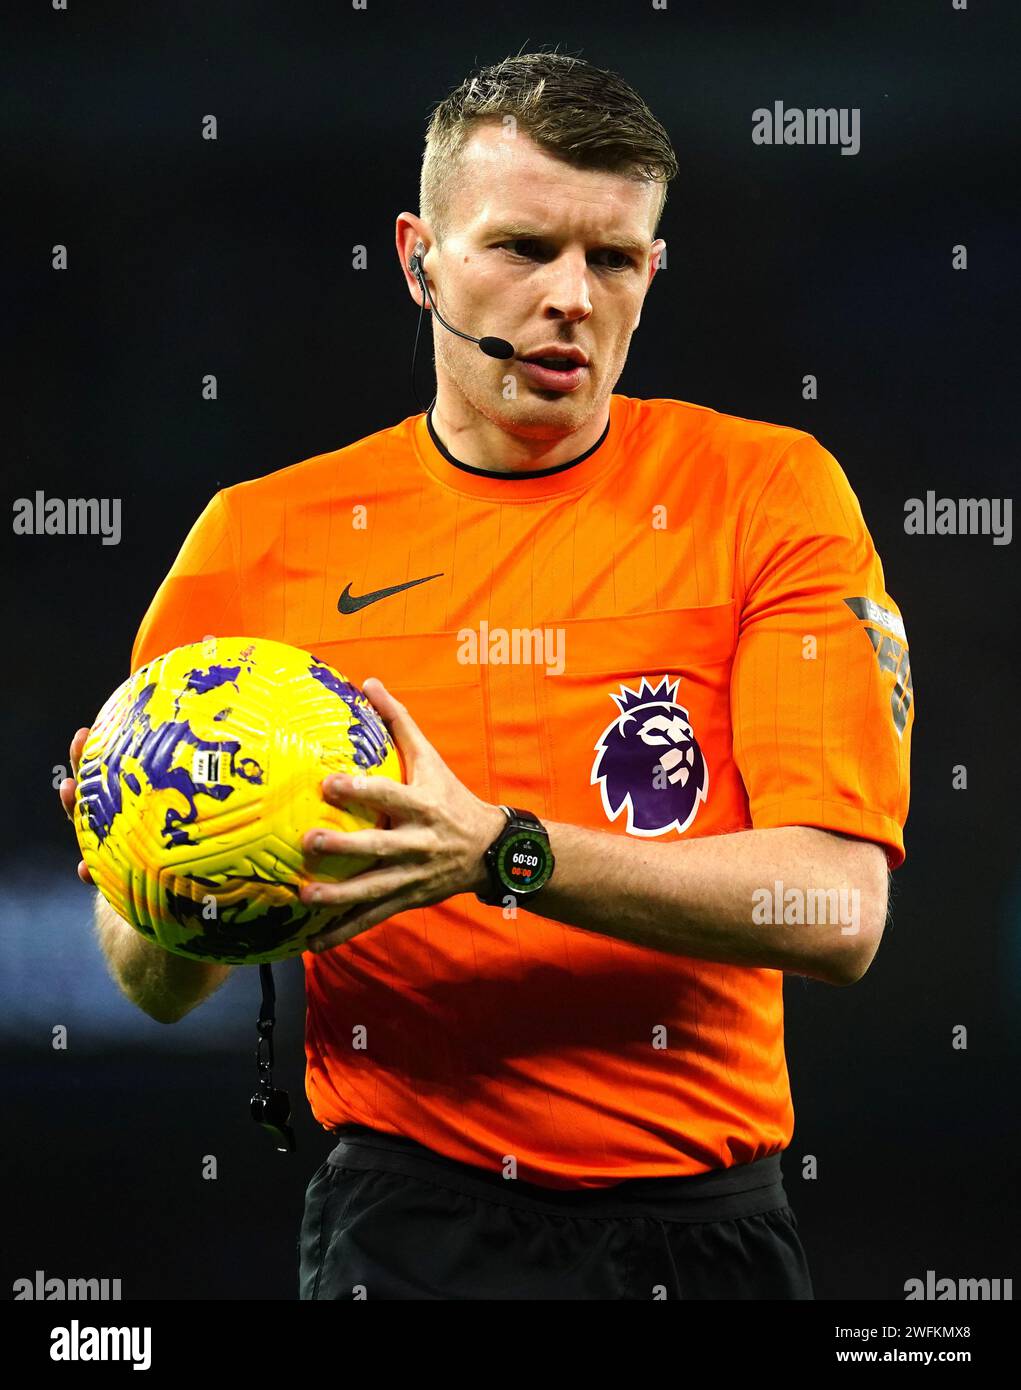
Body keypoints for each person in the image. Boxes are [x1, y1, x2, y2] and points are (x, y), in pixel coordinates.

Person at [59, 51, 913, 1300]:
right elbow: (153, 983)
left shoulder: (766, 494)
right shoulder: (261, 543)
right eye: (521, 247)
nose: (570, 296)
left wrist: (500, 853)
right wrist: (160, 854)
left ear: (652, 274)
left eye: (613, 259)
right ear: (418, 259)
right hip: (413, 1228)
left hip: (706, 1232)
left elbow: (837, 914)